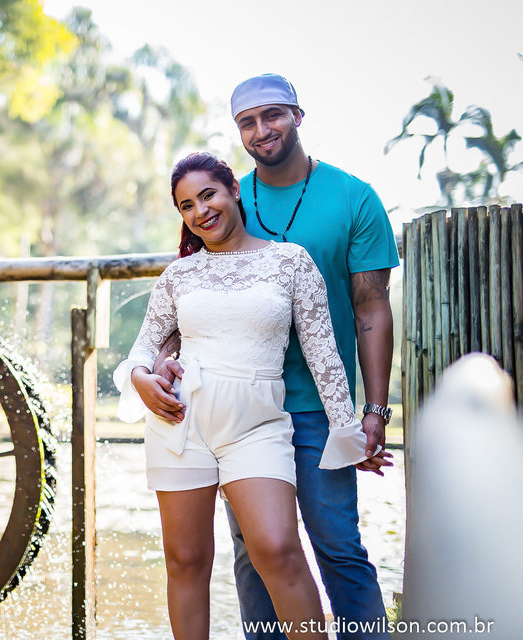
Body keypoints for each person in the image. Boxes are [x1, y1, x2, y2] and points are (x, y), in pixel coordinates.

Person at [142, 74, 399, 639]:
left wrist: (372, 411)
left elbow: (372, 307)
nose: (262, 131)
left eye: (273, 116)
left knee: (337, 544)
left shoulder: (354, 198)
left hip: (317, 407)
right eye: (247, 122)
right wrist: (156, 364)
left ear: (297, 116)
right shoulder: (222, 199)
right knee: (252, 555)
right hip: (237, 405)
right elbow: (190, 303)